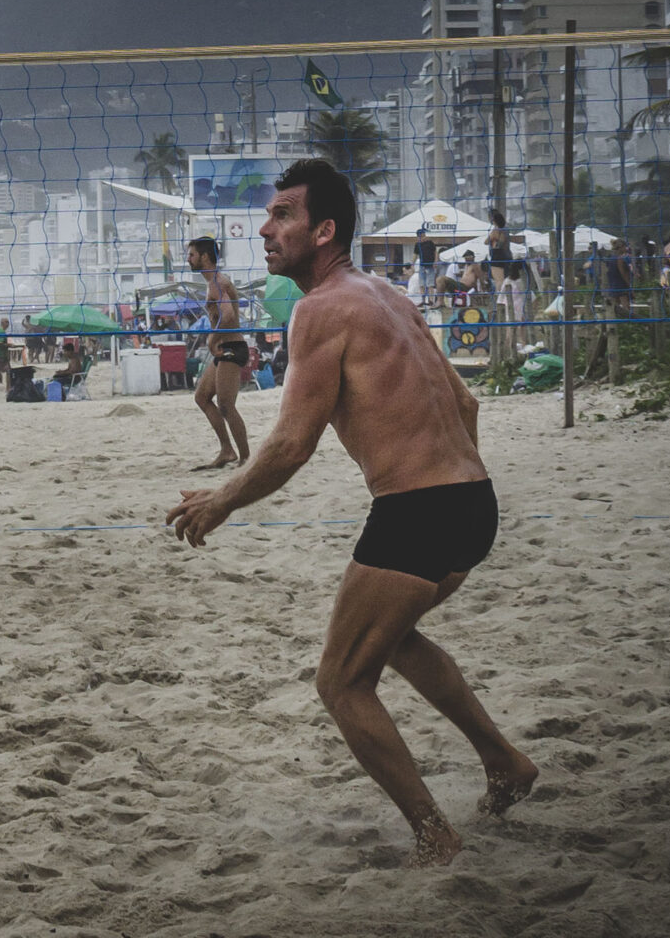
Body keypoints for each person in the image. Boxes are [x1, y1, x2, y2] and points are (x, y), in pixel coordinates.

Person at [167, 159, 535, 868]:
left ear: (324, 229)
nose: (267, 230)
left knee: (340, 682)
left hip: (418, 511)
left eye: (282, 216)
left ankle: (434, 833)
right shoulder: (388, 295)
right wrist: (452, 479)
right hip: (473, 502)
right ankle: (505, 762)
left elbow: (291, 444)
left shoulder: (320, 308)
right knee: (392, 641)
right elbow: (466, 404)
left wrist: (221, 500)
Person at [188, 236, 250, 470]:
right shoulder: (211, 282)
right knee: (202, 397)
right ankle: (227, 450)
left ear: (204, 257)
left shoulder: (219, 282)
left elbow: (230, 316)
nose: (188, 259)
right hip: (224, 349)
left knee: (226, 405)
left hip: (232, 348)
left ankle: (245, 459)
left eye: (192, 255)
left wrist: (212, 337)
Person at [412, 227, 439, 305]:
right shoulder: (417, 245)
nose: (423, 237)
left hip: (430, 265)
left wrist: (435, 261)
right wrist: (412, 264)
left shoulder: (430, 243)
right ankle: (423, 300)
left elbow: (435, 252)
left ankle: (431, 300)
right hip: (422, 266)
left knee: (430, 284)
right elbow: (415, 255)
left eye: (424, 236)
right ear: (418, 237)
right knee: (421, 284)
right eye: (421, 236)